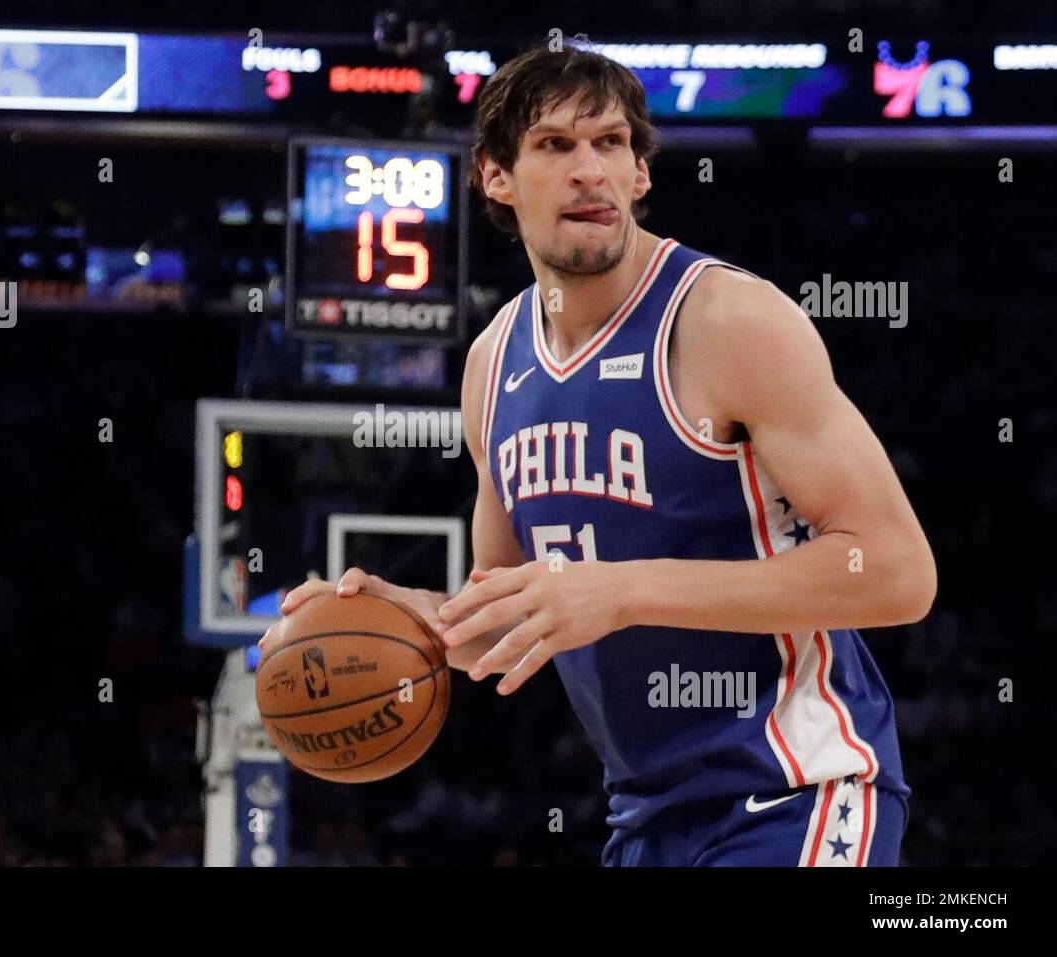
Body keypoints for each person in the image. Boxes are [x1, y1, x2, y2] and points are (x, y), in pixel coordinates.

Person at [261, 43, 936, 867]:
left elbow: (899, 570)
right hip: (645, 817)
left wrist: (619, 590)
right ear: (495, 177)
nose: (591, 170)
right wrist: (393, 614)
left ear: (641, 173)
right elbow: (508, 620)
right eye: (555, 145)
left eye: (611, 143)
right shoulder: (492, 364)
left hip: (801, 788)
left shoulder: (728, 320)